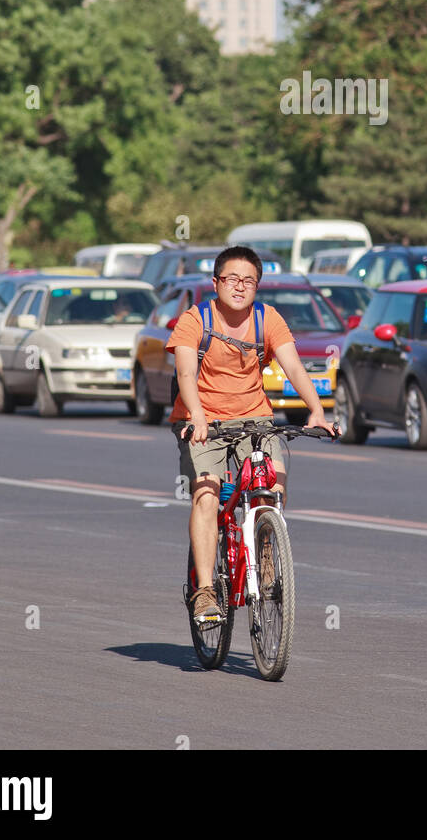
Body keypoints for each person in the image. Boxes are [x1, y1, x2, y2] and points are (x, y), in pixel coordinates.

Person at [167, 245, 336, 624]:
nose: (240, 287)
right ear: (216, 283)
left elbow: (293, 364)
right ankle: (206, 592)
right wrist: (196, 415)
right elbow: (185, 374)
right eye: (232, 279)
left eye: (249, 281)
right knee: (207, 494)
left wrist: (317, 409)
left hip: (253, 420)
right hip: (202, 421)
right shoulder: (194, 320)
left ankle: (265, 557)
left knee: (272, 487)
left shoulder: (267, 319)